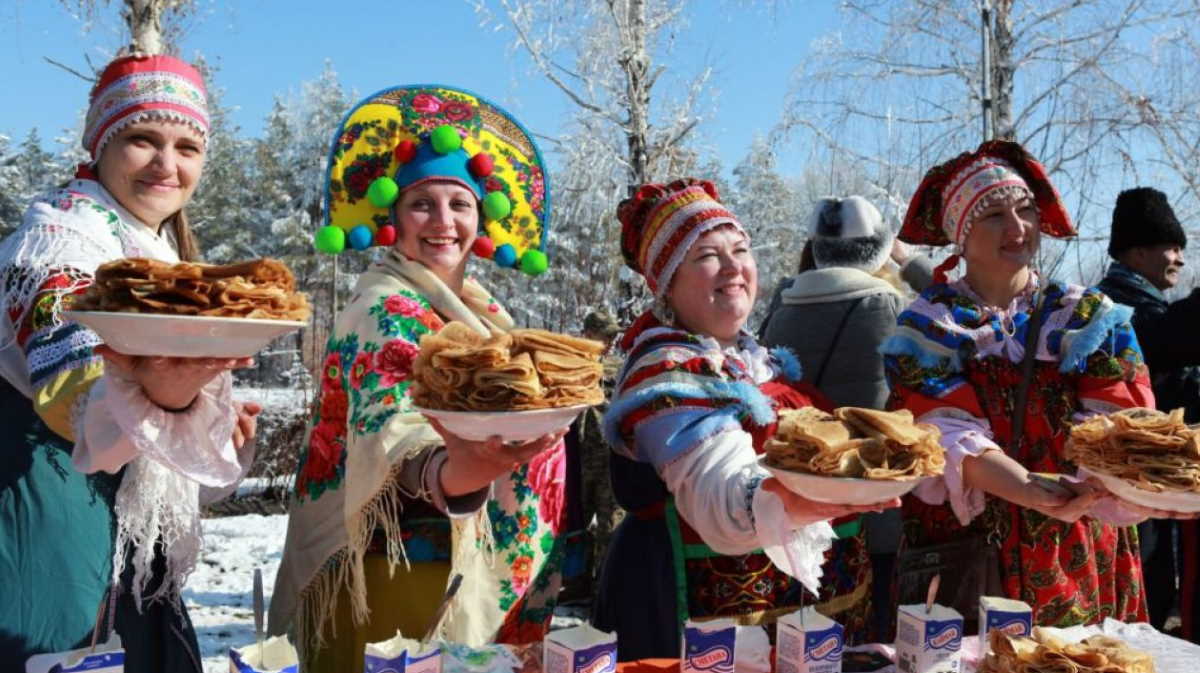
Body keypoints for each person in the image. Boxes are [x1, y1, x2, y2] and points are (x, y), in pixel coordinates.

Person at [268, 85, 564, 672]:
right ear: (392, 219)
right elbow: (392, 428)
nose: (443, 221)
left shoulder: (480, 311)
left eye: (459, 203)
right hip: (406, 575)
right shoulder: (383, 310)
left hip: (460, 570)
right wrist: (458, 472)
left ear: (482, 218)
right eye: (421, 204)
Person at [0, 54, 259, 670]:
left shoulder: (162, 261)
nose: (167, 165)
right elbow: (77, 404)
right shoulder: (54, 247)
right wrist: (167, 399)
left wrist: (217, 427)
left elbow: (178, 458)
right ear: (101, 143)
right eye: (143, 139)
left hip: (132, 556)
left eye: (187, 147)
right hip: (50, 533)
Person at [592, 178, 898, 660]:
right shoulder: (668, 370)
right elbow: (717, 490)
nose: (734, 267)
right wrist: (801, 496)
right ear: (668, 281)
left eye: (741, 249)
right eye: (707, 255)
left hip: (796, 615)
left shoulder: (759, 360)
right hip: (700, 615)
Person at [881, 140, 1178, 628]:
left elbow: (1123, 424)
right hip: (969, 545)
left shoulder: (1087, 315)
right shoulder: (928, 326)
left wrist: (1098, 486)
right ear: (962, 232)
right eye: (994, 214)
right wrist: (1024, 486)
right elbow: (940, 434)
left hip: (1076, 539)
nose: (1018, 228)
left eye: (1025, 210)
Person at [760, 195, 935, 640]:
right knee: (867, 638)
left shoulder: (783, 304)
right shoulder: (888, 308)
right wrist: (908, 259)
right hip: (870, 505)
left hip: (796, 497)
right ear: (879, 249)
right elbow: (953, 306)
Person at [1098, 186, 1200, 639]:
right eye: (1171, 248)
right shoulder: (1113, 309)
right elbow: (1170, 338)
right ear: (1137, 254)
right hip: (1129, 486)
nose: (1179, 258)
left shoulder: (1150, 305)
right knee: (1138, 607)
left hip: (1158, 487)